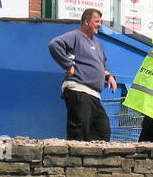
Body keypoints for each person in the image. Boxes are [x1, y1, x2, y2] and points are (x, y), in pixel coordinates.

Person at [47, 8, 117, 141]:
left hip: (94, 95)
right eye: (96, 21)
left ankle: (94, 155)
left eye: (100, 22)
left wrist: (109, 76)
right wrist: (68, 66)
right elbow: (54, 45)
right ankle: (74, 154)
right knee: (79, 131)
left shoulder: (97, 43)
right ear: (86, 22)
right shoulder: (75, 36)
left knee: (103, 131)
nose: (99, 25)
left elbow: (102, 65)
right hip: (79, 90)